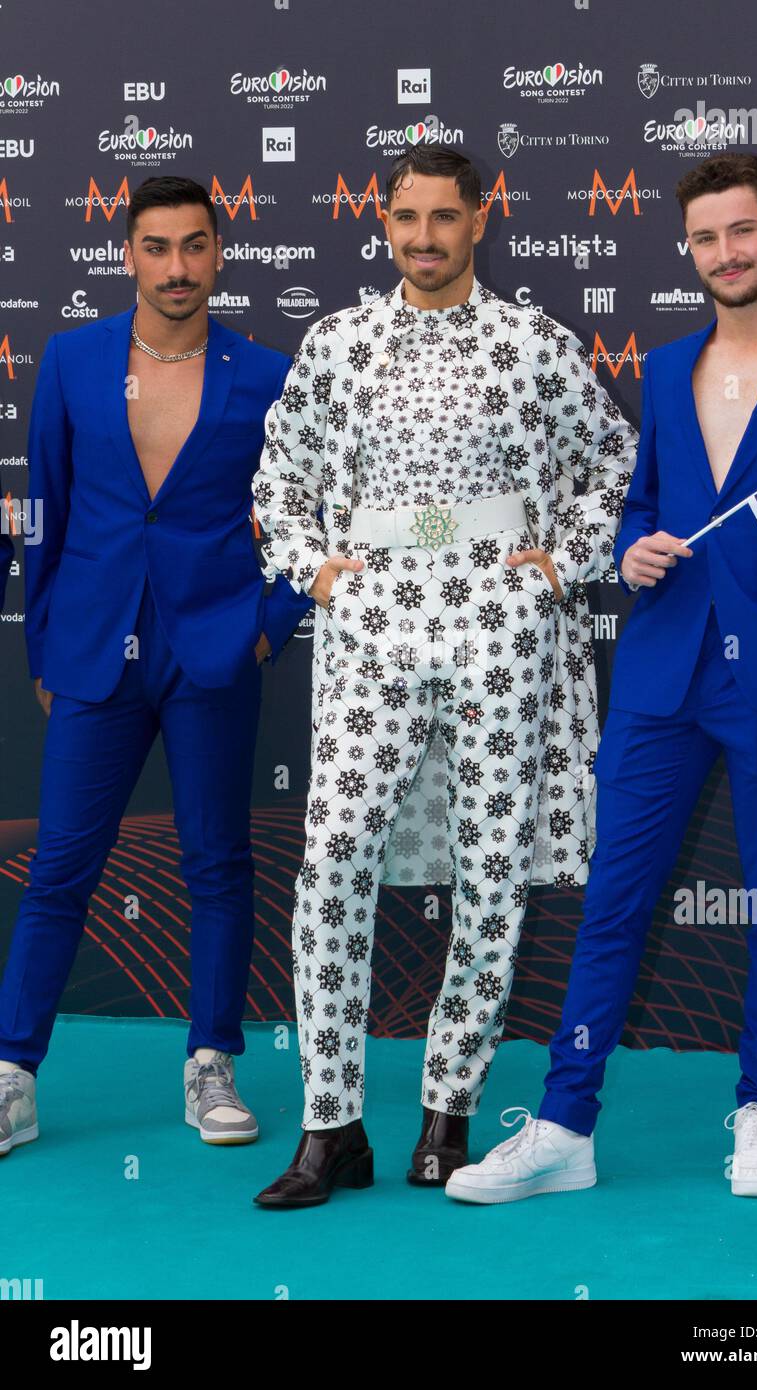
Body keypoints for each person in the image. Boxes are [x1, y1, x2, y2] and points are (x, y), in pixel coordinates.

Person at [445, 152, 757, 1205]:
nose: (723, 254)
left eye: (739, 232)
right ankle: (562, 1124)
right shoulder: (670, 365)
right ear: (688, 251)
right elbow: (642, 505)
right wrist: (628, 549)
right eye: (703, 239)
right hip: (658, 671)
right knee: (612, 904)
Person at [250, 144, 637, 1208]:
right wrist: (313, 570)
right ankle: (331, 1125)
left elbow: (612, 455)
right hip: (370, 622)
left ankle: (447, 1113)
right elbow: (277, 474)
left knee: (489, 867)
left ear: (480, 220)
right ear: (384, 222)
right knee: (329, 857)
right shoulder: (339, 343)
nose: (423, 238)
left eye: (443, 218)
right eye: (406, 218)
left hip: (496, 624)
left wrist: (562, 560)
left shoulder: (530, 342)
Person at [0, 176, 311, 1159]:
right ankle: (12, 1073)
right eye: (157, 247)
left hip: (212, 650)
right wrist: (42, 640)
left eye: (194, 246)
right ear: (127, 255)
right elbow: (43, 504)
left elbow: (316, 519)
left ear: (219, 253)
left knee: (218, 862)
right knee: (59, 870)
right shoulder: (73, 360)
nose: (177, 267)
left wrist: (267, 624)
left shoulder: (265, 374)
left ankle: (211, 1061)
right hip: (93, 648)